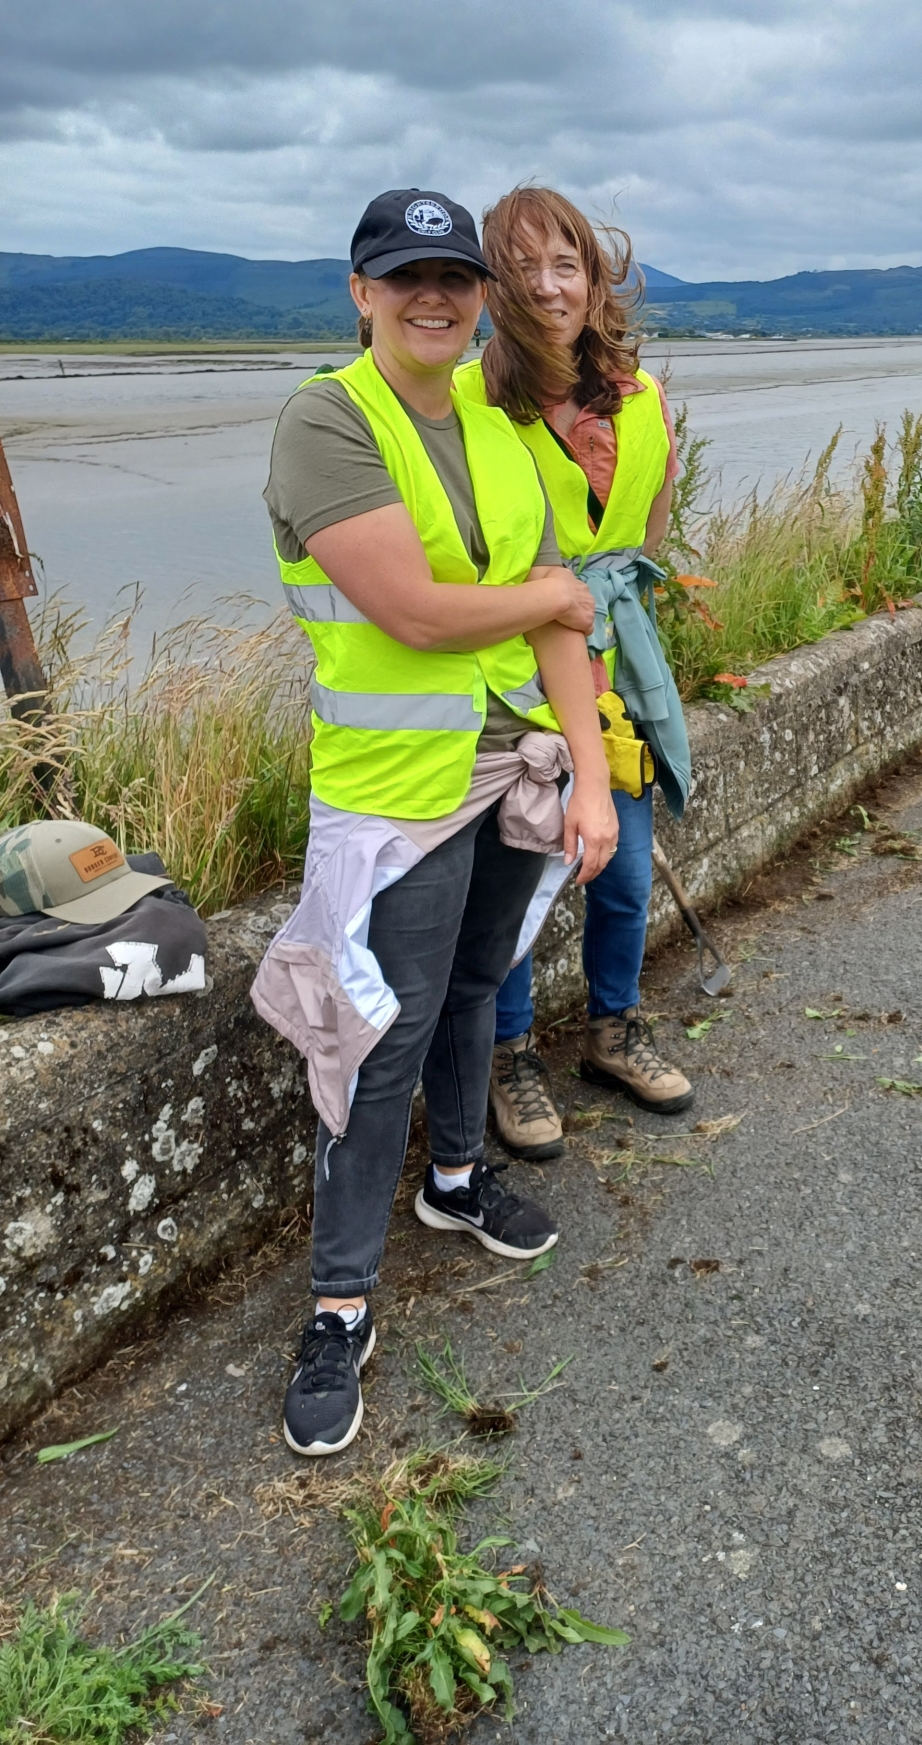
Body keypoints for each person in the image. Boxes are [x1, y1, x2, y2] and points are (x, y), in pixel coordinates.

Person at [257, 188, 617, 1456]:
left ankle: (457, 1181)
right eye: (405, 277)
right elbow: (411, 611)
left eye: (454, 279)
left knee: (476, 984)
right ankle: (339, 1305)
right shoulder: (327, 420)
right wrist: (552, 596)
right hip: (392, 789)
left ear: (479, 300)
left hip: (506, 765)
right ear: (361, 292)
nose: (433, 298)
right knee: (378, 1040)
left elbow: (556, 618)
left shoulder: (495, 429)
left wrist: (593, 778)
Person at [457, 186, 695, 1160]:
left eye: (567, 265)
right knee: (516, 881)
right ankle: (508, 1054)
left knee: (624, 871)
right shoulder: (468, 400)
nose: (548, 287)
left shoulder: (643, 401)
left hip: (613, 672)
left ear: (598, 282)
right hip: (510, 682)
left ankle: (613, 1029)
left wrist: (614, 623)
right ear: (493, 288)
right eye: (522, 269)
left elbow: (648, 535)